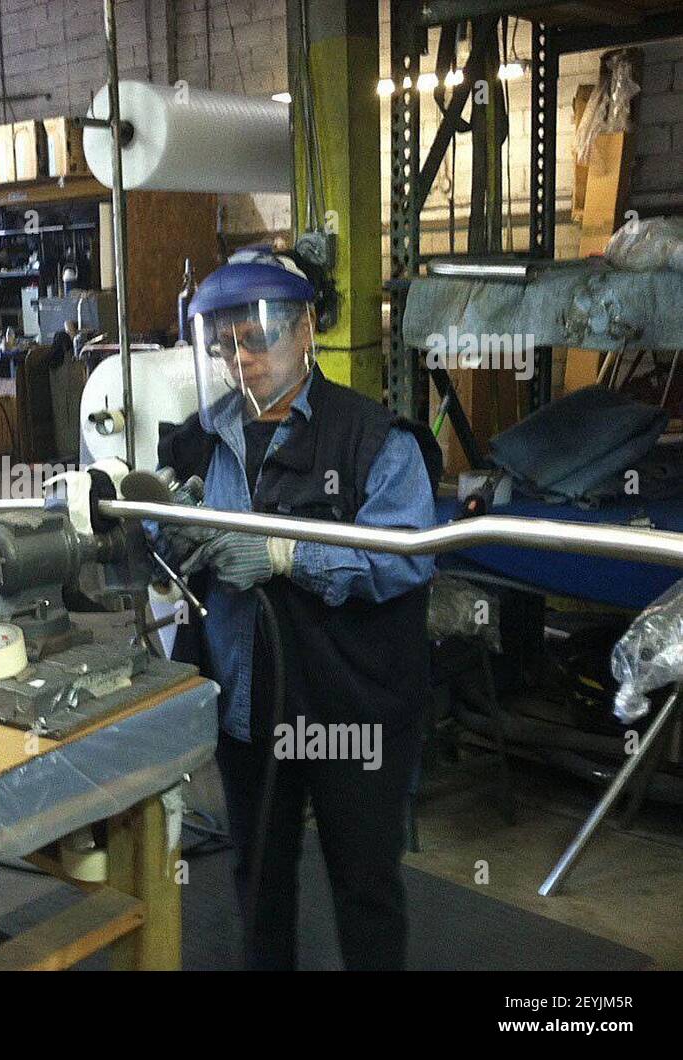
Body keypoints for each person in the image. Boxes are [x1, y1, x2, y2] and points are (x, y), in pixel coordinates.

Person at [157, 250, 438, 971]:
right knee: (258, 873)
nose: (241, 358)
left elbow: (407, 556)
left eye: (258, 338)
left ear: (306, 328)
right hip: (248, 710)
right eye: (224, 343)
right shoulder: (201, 439)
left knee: (365, 882)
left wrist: (287, 556)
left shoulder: (374, 438)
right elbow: (159, 560)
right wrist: (164, 536)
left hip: (349, 707)